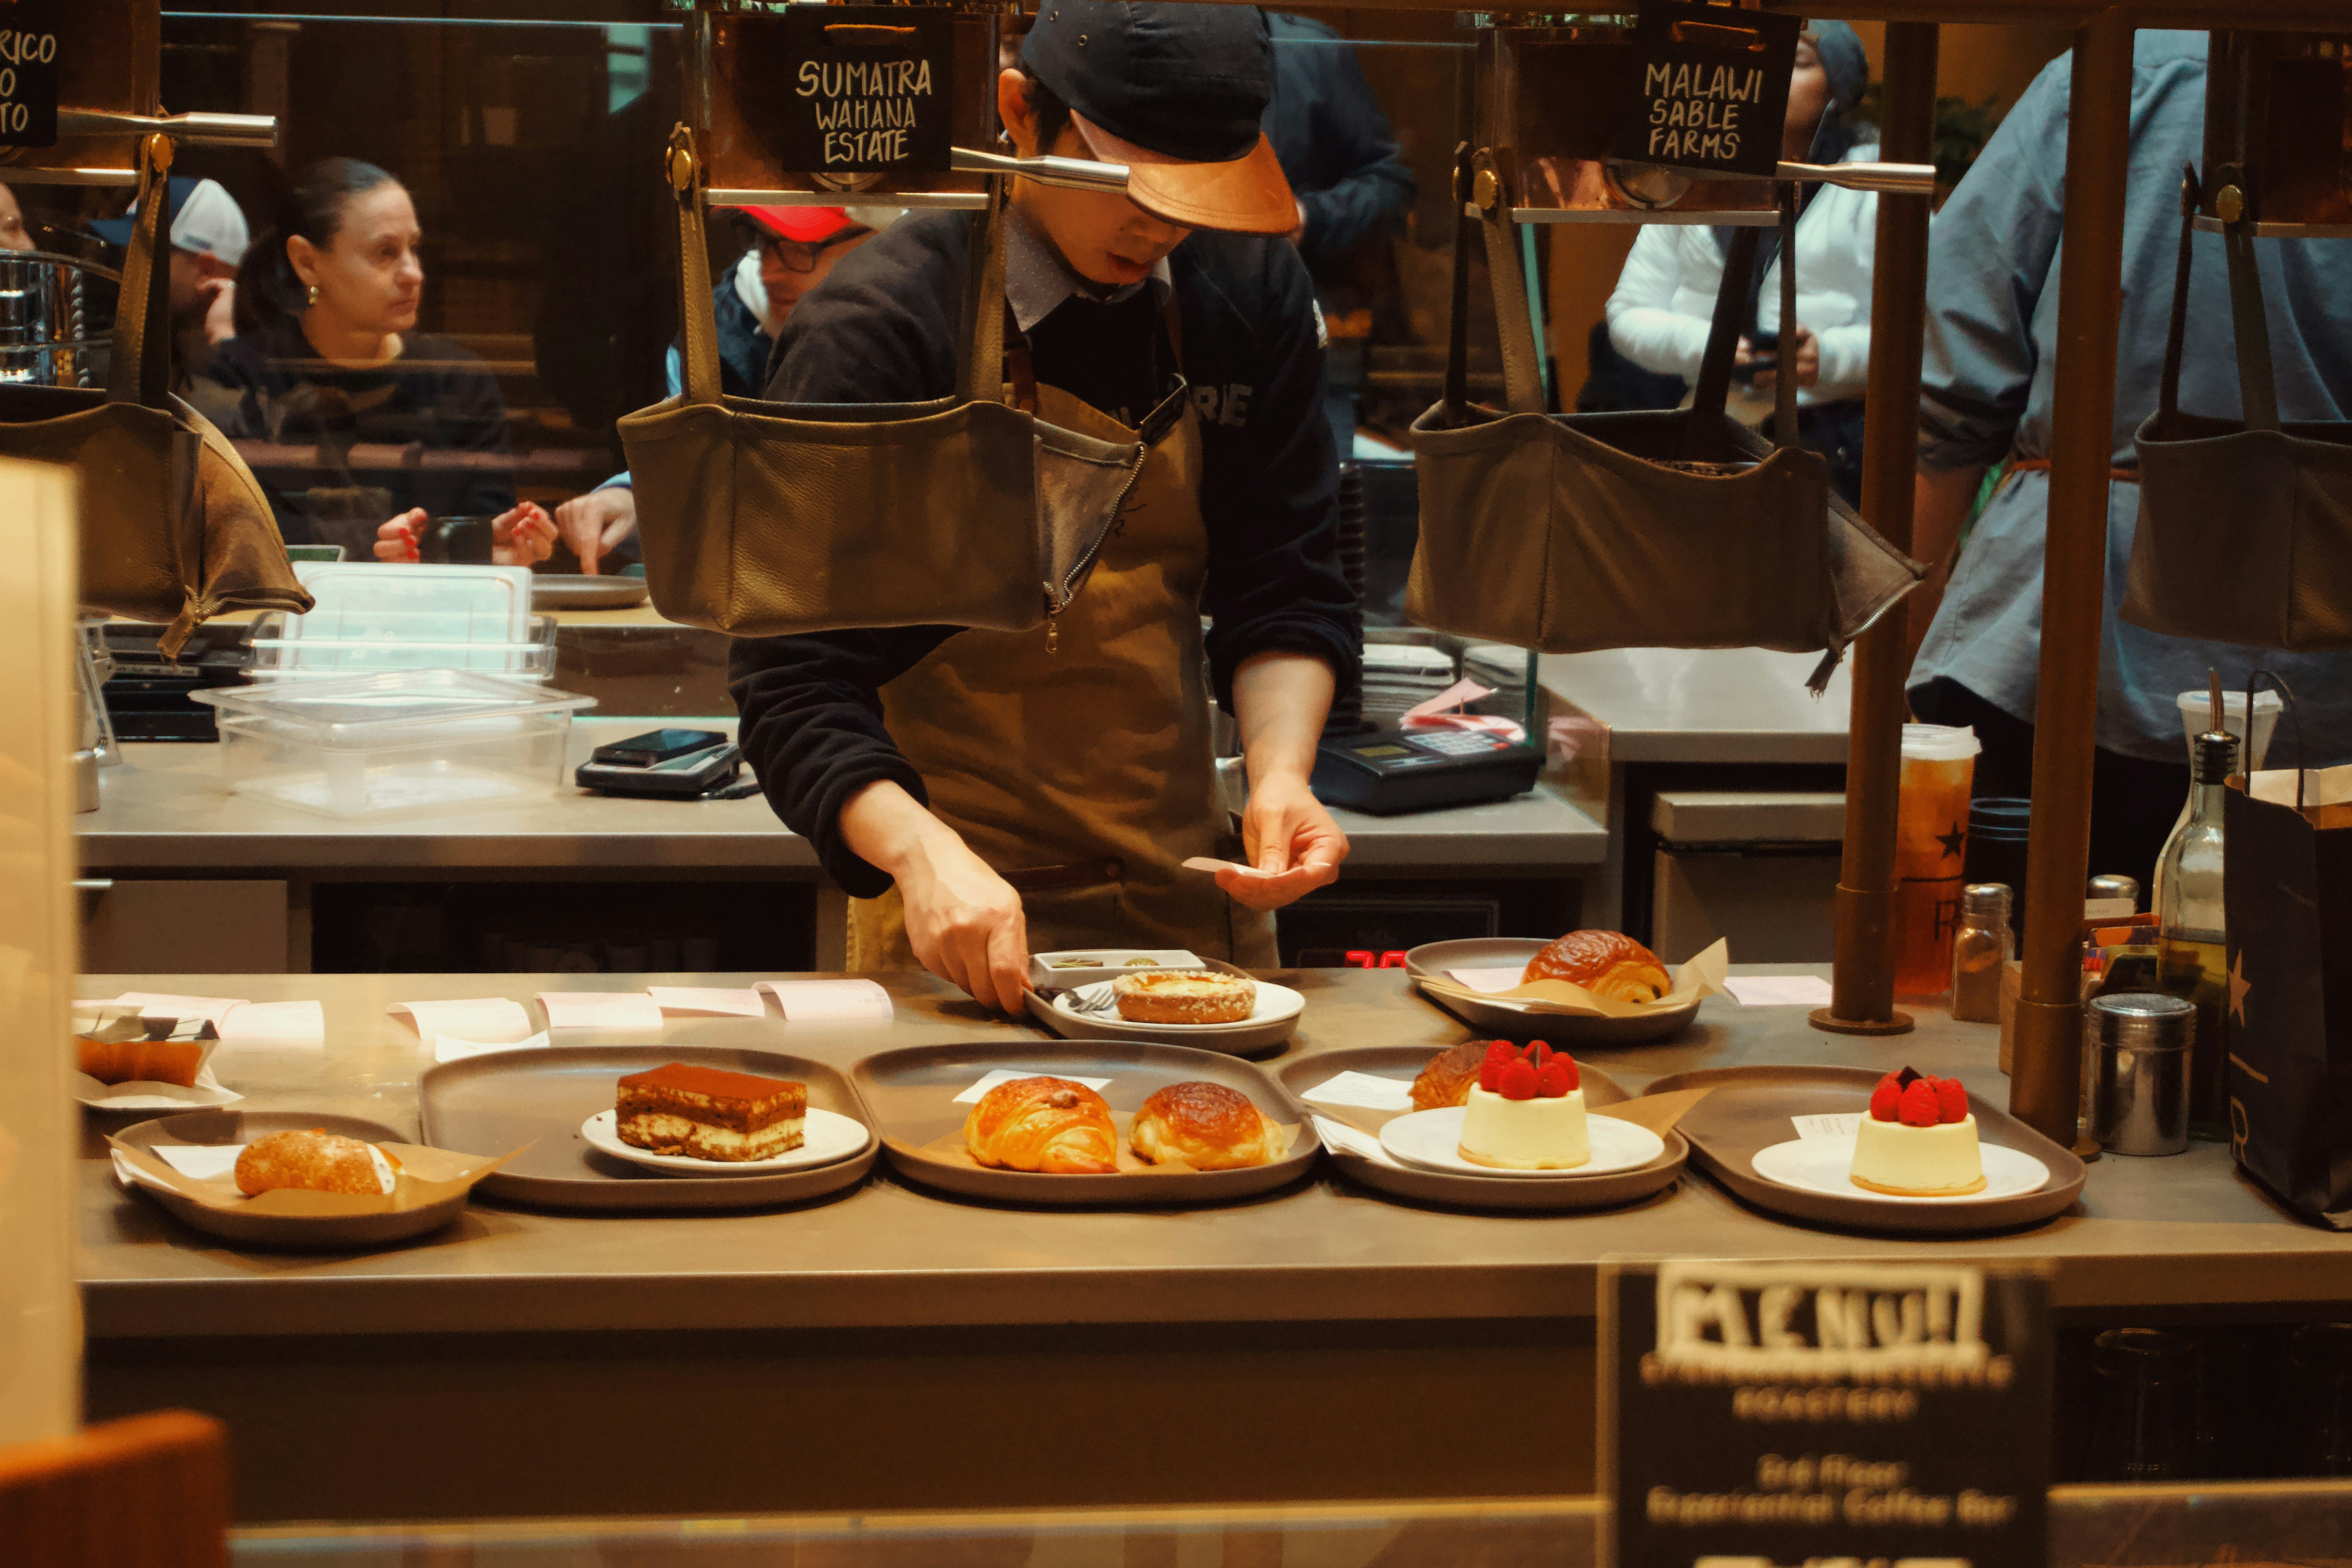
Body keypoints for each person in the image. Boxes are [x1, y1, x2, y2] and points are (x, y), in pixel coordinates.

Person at [727, 0, 1360, 1012]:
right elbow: (793, 676)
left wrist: (1282, 775)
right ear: (1021, 114)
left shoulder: (1245, 290)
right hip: (948, 915)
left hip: (1190, 904)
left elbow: (1281, 581)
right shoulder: (881, 324)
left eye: (1194, 188)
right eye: (1129, 180)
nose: (1162, 224)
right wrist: (922, 854)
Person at [1904, 29, 2352, 895]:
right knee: (2290, 1019)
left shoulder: (2123, 76)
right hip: (2315, 702)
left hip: (2052, 645)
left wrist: (1908, 636)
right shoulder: (2125, 73)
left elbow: (1946, 378)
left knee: (2003, 1000)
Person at [194, 158, 552, 564]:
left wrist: (504, 547)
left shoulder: (460, 382)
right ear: (308, 263)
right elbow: (244, 544)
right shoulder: (238, 377)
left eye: (413, 249)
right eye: (385, 253)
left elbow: (484, 531)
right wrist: (395, 553)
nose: (413, 273)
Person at [1604, 24, 1877, 499]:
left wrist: (1829, 358)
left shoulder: (1871, 187)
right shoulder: (1690, 176)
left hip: (1833, 446)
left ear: (1838, 88)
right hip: (1706, 435)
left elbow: (1925, 335)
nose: (1769, 76)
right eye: (1759, 61)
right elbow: (1627, 315)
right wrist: (1711, 346)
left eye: (1795, 63)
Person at [552, 204, 889, 575]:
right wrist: (635, 498)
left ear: (881, 239)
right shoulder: (713, 338)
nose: (768, 271)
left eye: (798, 247)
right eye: (763, 241)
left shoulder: (934, 323)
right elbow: (695, 471)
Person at [1260, 11, 1414, 452]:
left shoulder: (1309, 50)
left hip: (1307, 338)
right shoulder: (1131, 35)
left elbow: (1391, 184)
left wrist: (1307, 217)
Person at [92, 176, 249, 385]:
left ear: (206, 270)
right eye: (126, 253)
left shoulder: (254, 354)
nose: (128, 267)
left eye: (146, 256)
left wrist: (222, 340)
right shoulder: (159, 341)